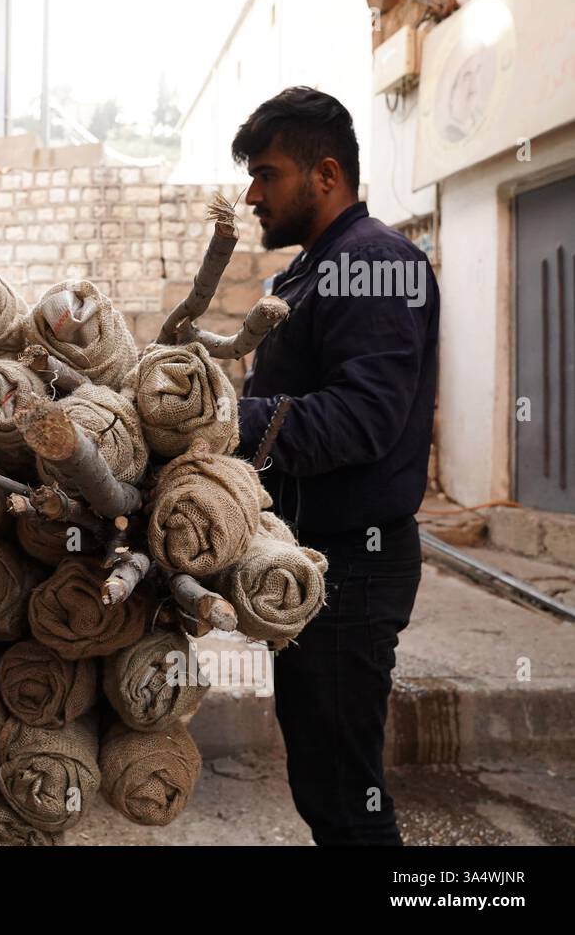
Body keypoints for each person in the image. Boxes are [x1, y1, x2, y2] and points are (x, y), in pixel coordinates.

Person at [230, 87, 439, 845]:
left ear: (325, 174)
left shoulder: (377, 264)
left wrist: (226, 423)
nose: (252, 194)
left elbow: (361, 419)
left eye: (268, 174)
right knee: (325, 781)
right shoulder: (322, 266)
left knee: (348, 800)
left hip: (353, 565)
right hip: (319, 559)